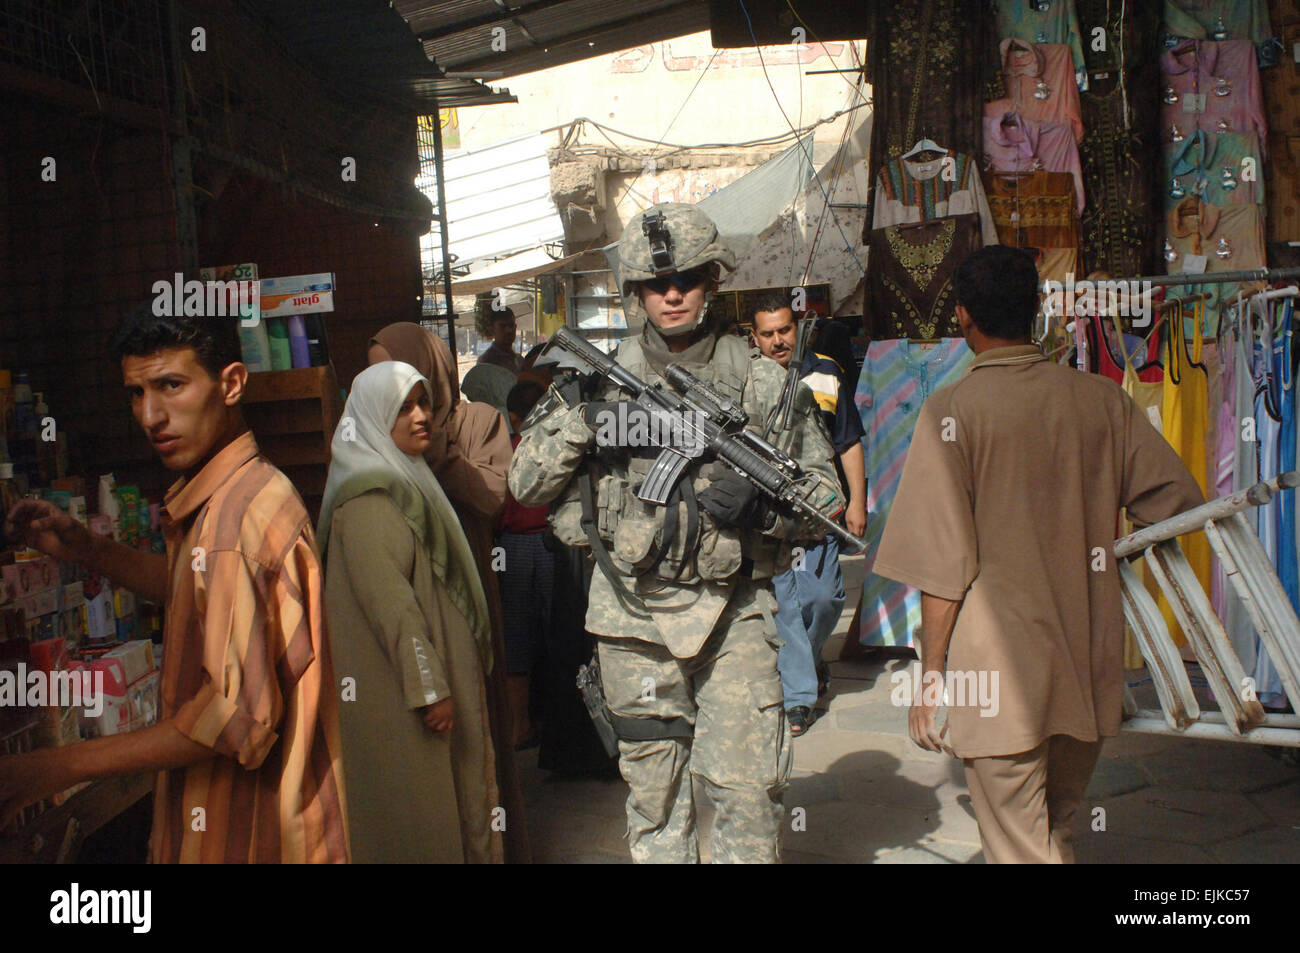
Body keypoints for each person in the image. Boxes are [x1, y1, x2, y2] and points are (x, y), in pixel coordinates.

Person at [508, 203, 843, 863]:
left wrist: (764, 507)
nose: (671, 293)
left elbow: (827, 500)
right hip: (632, 619)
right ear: (633, 292)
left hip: (735, 613)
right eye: (655, 283)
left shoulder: (763, 382)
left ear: (712, 282)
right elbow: (525, 486)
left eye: (687, 278)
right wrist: (583, 418)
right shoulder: (591, 382)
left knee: (749, 793)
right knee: (656, 801)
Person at [873, 245, 1204, 864]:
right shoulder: (1101, 400)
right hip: (1084, 659)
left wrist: (932, 677)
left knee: (1023, 849)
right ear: (1037, 314)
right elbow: (1176, 504)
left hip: (996, 672)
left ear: (963, 318)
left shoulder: (951, 412)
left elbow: (944, 572)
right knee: (1054, 833)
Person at [0, 305, 348, 862]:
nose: (151, 415)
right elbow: (194, 594)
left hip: (254, 839)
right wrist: (87, 548)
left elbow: (235, 721)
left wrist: (51, 768)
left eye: (170, 385)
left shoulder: (236, 520)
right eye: (136, 393)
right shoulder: (233, 495)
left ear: (231, 384)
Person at [319, 361, 500, 863]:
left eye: (423, 403)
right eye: (403, 408)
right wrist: (429, 688)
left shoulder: (406, 477)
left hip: (436, 678)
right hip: (410, 696)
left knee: (457, 800)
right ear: (375, 418)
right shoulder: (369, 497)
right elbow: (390, 606)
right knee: (425, 815)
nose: (420, 416)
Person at [366, 322, 529, 862]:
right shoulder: (379, 427)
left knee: (474, 709)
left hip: (468, 583)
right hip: (410, 589)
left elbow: (492, 501)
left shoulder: (478, 421)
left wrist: (439, 452)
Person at [750, 296, 868, 736]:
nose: (778, 341)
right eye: (768, 333)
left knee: (822, 599)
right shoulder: (746, 380)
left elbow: (848, 440)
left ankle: (810, 661)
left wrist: (857, 501)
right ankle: (798, 698)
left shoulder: (826, 372)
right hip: (770, 517)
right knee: (783, 606)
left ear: (797, 327)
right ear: (754, 336)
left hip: (820, 511)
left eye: (784, 329)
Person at [497, 379, 554, 747]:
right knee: (556, 634)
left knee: (515, 638)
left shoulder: (506, 451)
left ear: (513, 417)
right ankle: (555, 722)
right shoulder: (555, 448)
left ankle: (520, 726)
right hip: (551, 545)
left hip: (509, 550)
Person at [478, 306, 524, 374]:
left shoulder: (520, 360)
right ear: (492, 329)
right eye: (502, 326)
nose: (508, 330)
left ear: (515, 327)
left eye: (511, 325)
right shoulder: (486, 362)